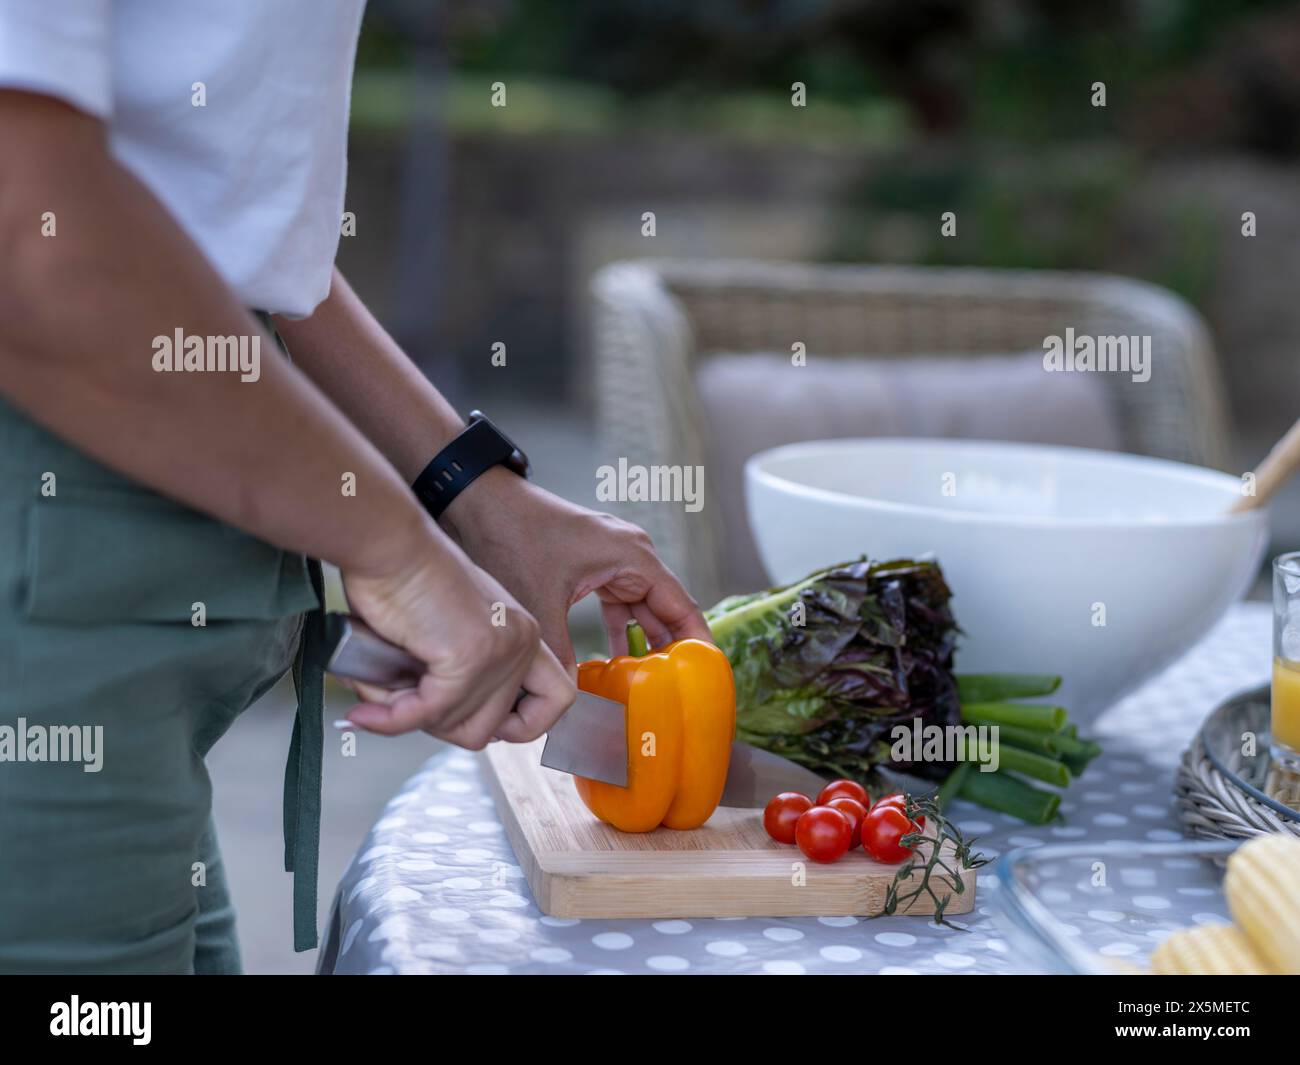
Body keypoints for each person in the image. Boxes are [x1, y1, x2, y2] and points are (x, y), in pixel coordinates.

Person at [0, 2, 708, 974]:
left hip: (142, 659)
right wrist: (401, 556)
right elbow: (32, 239)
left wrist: (469, 487)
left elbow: (234, 230)